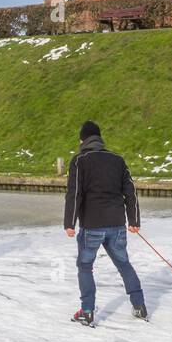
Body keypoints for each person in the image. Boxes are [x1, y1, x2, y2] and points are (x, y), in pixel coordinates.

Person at [64, 120, 147, 326]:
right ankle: (139, 306)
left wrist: (69, 222)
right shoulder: (117, 160)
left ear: (82, 140)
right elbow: (130, 192)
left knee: (85, 267)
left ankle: (87, 311)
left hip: (92, 225)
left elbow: (74, 194)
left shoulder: (79, 160)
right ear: (100, 139)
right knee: (123, 264)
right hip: (117, 224)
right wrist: (134, 220)